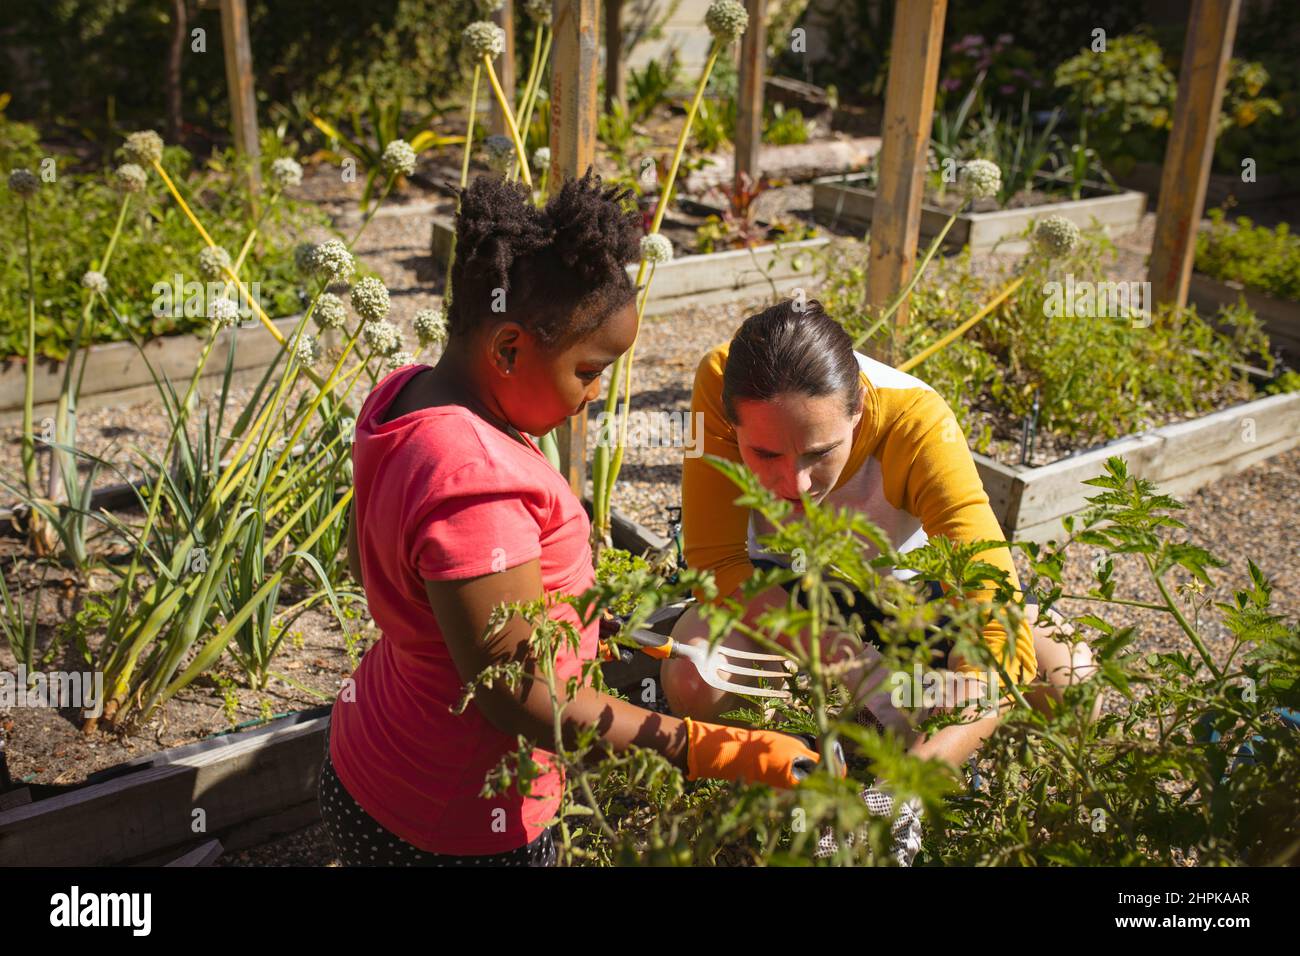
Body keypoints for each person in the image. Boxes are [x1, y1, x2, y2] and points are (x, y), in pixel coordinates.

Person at [320, 171, 828, 868]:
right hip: (458, 821)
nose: (594, 396)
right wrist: (701, 746)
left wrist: (570, 619)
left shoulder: (406, 395)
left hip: (371, 756)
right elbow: (514, 696)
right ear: (507, 349)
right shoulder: (476, 480)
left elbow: (377, 562)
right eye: (589, 371)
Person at [663, 298, 1099, 769]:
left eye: (820, 452)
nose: (797, 485)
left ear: (859, 409)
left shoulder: (918, 421)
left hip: (908, 592)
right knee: (695, 680)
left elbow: (995, 618)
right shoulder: (720, 379)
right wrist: (861, 670)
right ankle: (791, 739)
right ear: (733, 424)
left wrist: (928, 761)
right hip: (778, 585)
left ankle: (922, 710)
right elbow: (718, 563)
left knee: (1072, 686)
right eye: (767, 454)